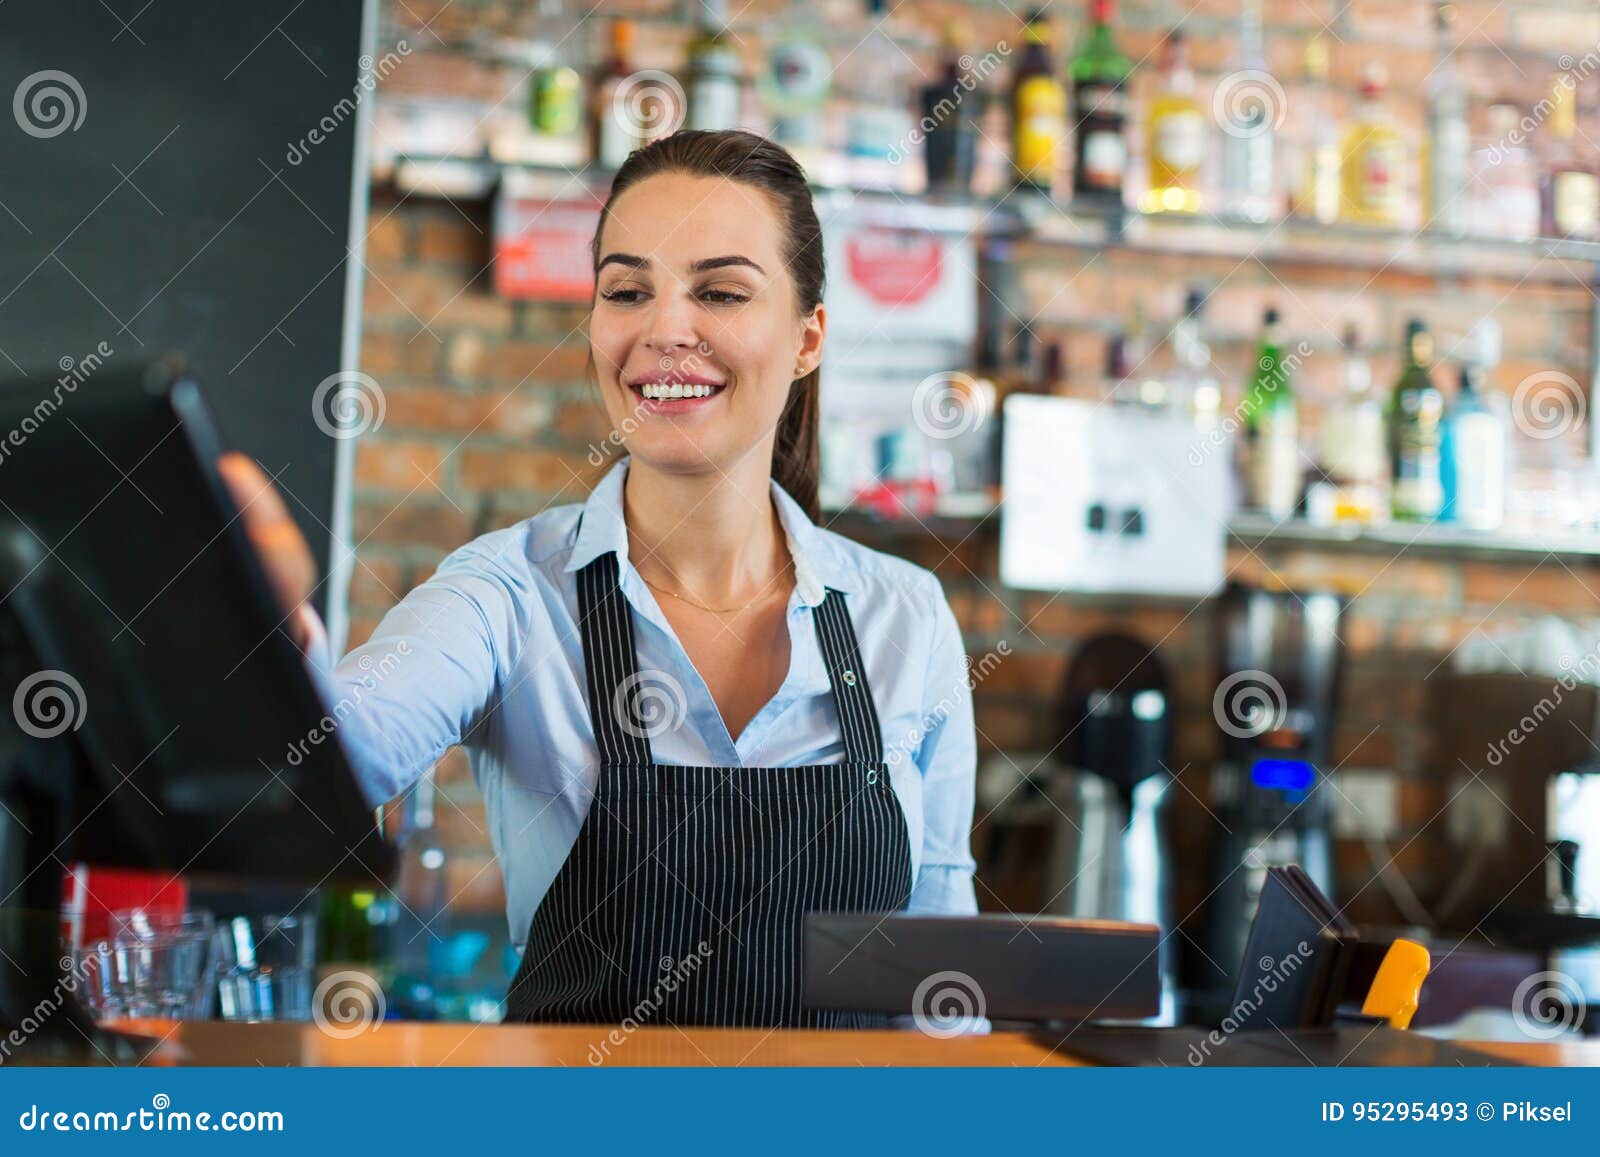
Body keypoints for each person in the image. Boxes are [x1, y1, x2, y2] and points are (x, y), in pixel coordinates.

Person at [219, 130, 979, 1028]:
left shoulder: (904, 617)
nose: (663, 330)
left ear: (808, 337)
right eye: (627, 291)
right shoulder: (508, 594)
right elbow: (333, 763)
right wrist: (263, 623)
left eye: (721, 291)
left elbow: (936, 970)